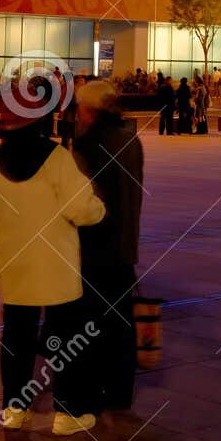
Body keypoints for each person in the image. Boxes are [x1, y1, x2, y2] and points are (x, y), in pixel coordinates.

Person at [0, 87, 107, 436]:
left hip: (15, 266)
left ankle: (14, 408)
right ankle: (68, 413)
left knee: (16, 338)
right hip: (57, 266)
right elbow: (80, 208)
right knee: (66, 338)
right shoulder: (57, 157)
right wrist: (99, 209)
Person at [71, 79, 144, 415]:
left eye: (78, 109)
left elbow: (81, 199)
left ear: (89, 110)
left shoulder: (89, 143)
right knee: (121, 321)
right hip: (125, 243)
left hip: (96, 245)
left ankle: (96, 387)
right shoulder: (131, 137)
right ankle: (120, 391)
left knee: (92, 321)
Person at [155, 72, 174, 136]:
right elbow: (172, 97)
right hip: (169, 106)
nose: (171, 82)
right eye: (171, 80)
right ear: (169, 81)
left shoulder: (162, 87)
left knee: (162, 119)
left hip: (163, 106)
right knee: (169, 120)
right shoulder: (170, 88)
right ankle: (169, 132)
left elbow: (158, 96)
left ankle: (161, 132)